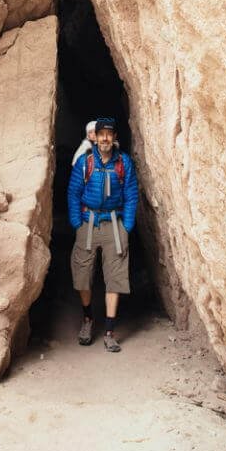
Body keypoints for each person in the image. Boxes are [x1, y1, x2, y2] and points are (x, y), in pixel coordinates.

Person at [67, 116, 138, 352]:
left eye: (109, 134)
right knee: (83, 274)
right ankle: (88, 319)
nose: (105, 138)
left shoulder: (123, 163)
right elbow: (73, 193)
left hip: (115, 225)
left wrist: (127, 226)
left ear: (114, 137)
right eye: (101, 134)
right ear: (95, 138)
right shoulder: (85, 162)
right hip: (88, 223)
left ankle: (109, 331)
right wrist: (77, 222)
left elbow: (131, 194)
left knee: (115, 277)